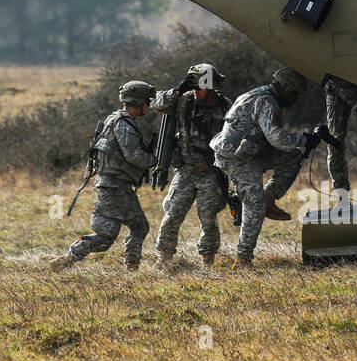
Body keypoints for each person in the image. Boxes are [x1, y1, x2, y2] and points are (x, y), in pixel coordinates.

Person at [210, 66, 319, 268]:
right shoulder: (267, 101)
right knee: (254, 204)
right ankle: (243, 259)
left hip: (248, 151)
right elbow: (277, 138)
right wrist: (305, 139)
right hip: (236, 157)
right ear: (285, 88)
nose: (295, 100)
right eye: (295, 94)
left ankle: (269, 197)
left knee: (292, 156)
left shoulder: (258, 94)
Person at [51, 81, 156, 271]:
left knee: (140, 226)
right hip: (112, 187)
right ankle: (67, 259)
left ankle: (132, 267)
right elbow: (133, 156)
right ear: (138, 102)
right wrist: (155, 160)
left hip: (120, 187)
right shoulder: (123, 124)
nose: (148, 106)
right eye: (147, 101)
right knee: (105, 237)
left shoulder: (118, 120)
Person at [150, 63, 232, 268]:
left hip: (211, 172)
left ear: (212, 86)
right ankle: (164, 259)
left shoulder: (226, 107)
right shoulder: (183, 101)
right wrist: (178, 90)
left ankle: (207, 261)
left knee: (208, 219)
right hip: (185, 169)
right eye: (193, 86)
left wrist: (211, 163)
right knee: (171, 215)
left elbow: (231, 141)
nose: (195, 91)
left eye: (200, 87)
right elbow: (157, 103)